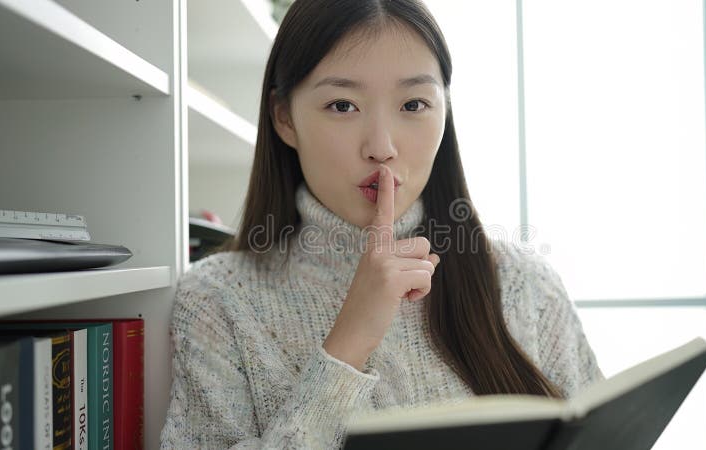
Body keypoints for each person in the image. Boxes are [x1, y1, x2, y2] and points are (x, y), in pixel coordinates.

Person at [160, 0, 604, 448]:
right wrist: (348, 342)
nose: (381, 147)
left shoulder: (526, 283)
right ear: (284, 117)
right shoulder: (218, 299)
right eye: (342, 105)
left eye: (413, 103)